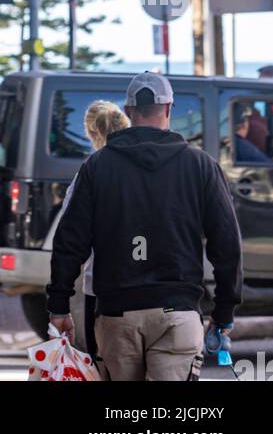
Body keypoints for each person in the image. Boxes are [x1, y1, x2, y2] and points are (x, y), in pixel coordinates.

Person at [47, 73, 243, 381]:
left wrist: (59, 304)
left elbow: (70, 241)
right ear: (169, 108)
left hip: (117, 313)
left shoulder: (97, 167)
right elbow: (227, 244)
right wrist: (224, 311)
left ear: (128, 110)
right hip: (178, 311)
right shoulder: (201, 165)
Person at [45, 100, 130, 359]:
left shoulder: (91, 170)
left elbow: (71, 237)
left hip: (105, 288)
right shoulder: (147, 165)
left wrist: (59, 304)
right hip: (163, 288)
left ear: (90, 132)